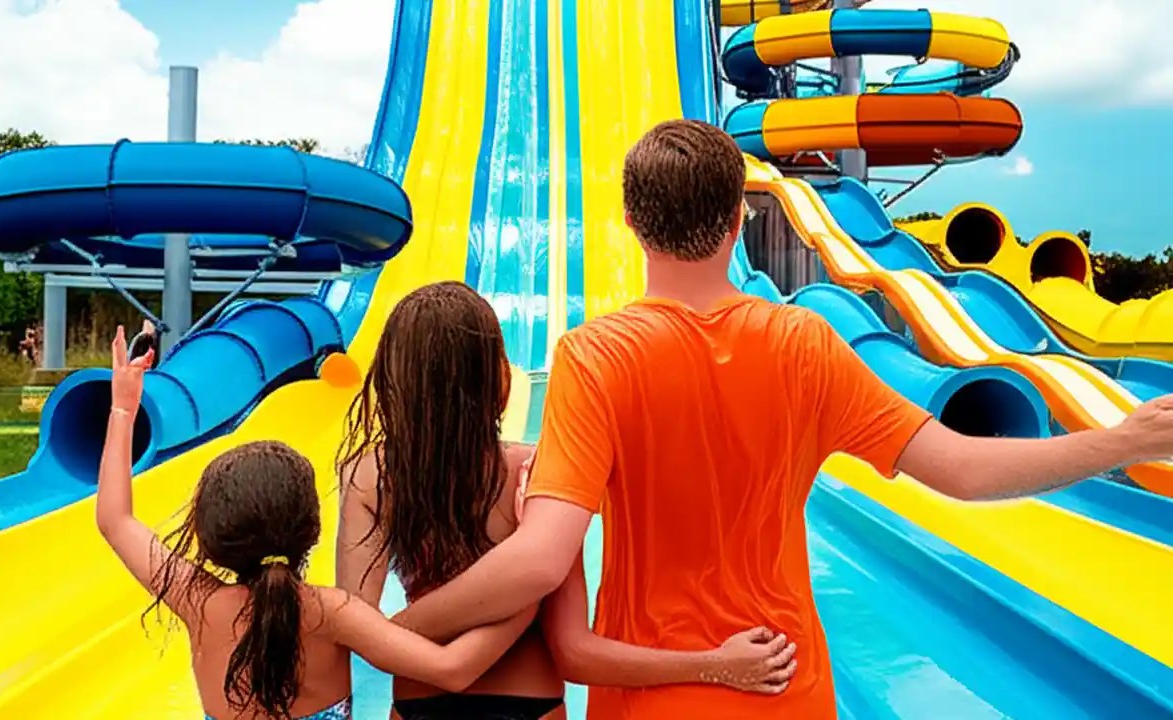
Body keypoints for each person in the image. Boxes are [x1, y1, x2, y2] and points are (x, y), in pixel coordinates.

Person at [386, 120, 1173, 719]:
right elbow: (964, 470)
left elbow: (538, 561)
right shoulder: (806, 343)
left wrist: (393, 626)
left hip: (653, 698)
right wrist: (1120, 440)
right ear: (737, 222)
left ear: (630, 221)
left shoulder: (597, 357)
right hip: (786, 683)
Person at [334, 281, 798, 720]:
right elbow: (575, 655)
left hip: (419, 705)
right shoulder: (534, 472)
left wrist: (422, 643)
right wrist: (713, 663)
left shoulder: (370, 477)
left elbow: (357, 628)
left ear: (393, 384)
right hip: (531, 705)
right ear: (498, 378)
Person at [97, 325, 549, 720]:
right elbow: (452, 669)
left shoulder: (198, 604)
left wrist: (123, 409)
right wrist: (530, 595)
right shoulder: (331, 612)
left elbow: (115, 521)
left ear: (211, 534)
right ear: (310, 529)